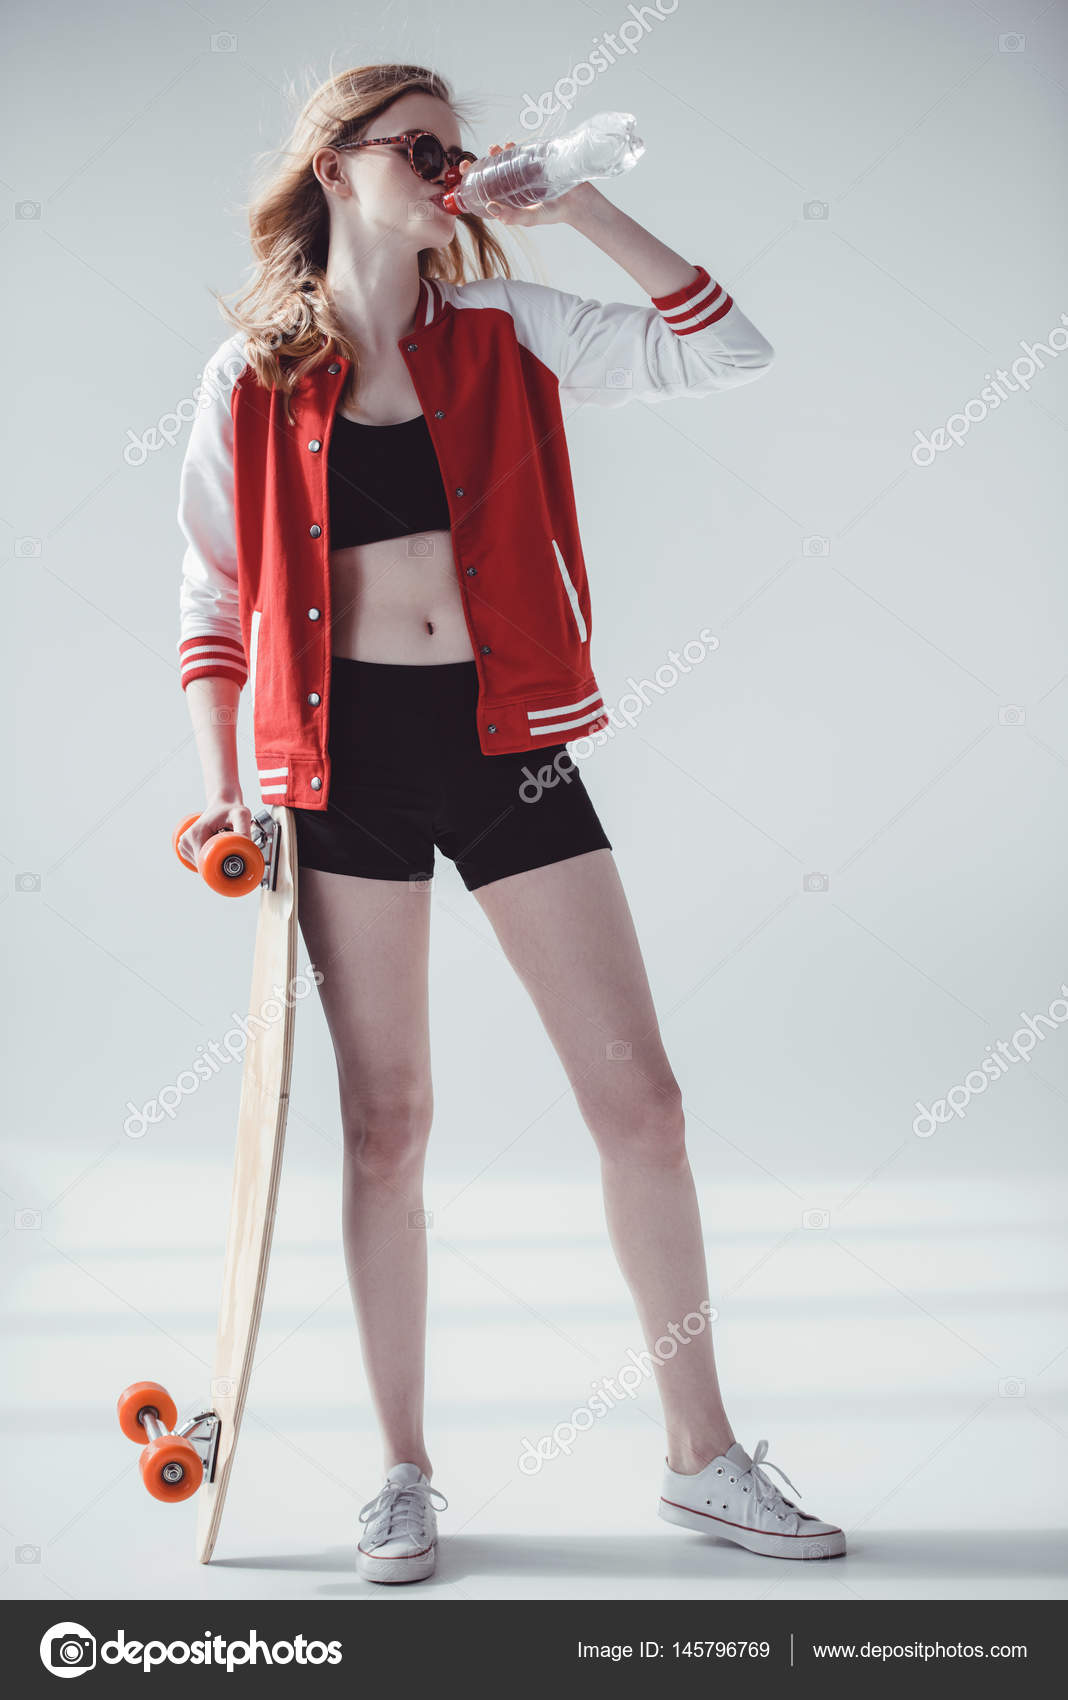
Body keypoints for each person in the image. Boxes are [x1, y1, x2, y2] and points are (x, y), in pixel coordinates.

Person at [175, 62, 845, 1584]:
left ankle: (703, 1456)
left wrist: (580, 202)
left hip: (507, 742)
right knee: (388, 1127)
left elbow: (726, 349)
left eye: (461, 149)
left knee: (644, 1108)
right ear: (338, 169)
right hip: (340, 768)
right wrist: (222, 776)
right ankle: (402, 1472)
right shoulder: (248, 380)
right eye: (421, 146)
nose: (450, 166)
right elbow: (213, 600)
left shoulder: (505, 330)